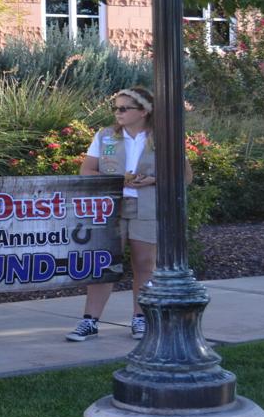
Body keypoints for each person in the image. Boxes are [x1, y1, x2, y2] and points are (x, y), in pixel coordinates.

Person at [65, 86, 179, 344]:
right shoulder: (106, 136)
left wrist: (153, 179)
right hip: (111, 208)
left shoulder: (163, 137)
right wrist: (120, 179)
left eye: (124, 108)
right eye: (115, 108)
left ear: (144, 111)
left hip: (148, 207)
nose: (118, 113)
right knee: (105, 264)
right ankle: (90, 321)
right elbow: (87, 171)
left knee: (144, 264)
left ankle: (140, 318)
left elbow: (185, 176)